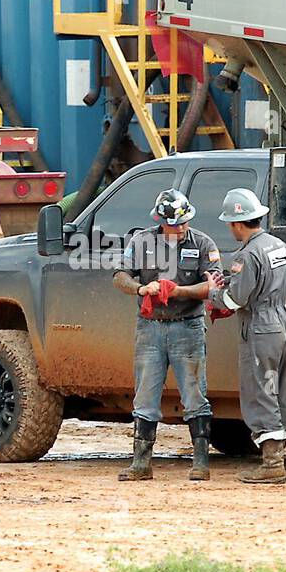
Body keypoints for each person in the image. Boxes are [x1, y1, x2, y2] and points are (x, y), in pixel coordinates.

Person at [112, 189, 221, 481]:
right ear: (161, 221)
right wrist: (140, 289)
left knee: (195, 394)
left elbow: (212, 285)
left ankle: (200, 462)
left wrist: (178, 291)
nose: (181, 228)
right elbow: (119, 275)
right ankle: (141, 463)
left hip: (188, 327)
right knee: (145, 396)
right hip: (150, 329)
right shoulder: (141, 241)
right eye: (175, 224)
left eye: (185, 222)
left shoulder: (203, 244)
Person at [208, 187, 286, 484]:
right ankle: (276, 456)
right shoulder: (276, 245)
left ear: (237, 223)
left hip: (260, 327)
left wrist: (214, 292)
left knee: (260, 391)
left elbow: (236, 300)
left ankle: (272, 464)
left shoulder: (247, 253)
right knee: (276, 388)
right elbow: (264, 282)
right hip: (282, 321)